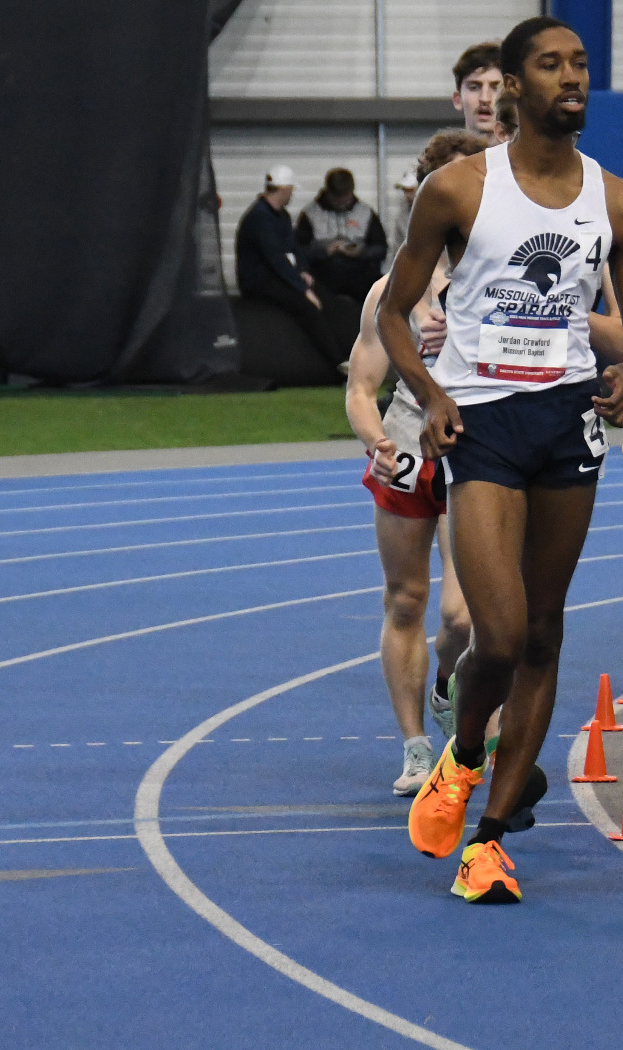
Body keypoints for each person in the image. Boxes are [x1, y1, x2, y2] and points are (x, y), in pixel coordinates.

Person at [382, 16, 623, 904]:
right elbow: (392, 314)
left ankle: (491, 840)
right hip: (484, 423)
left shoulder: (616, 203)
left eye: (580, 64)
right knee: (496, 636)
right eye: (550, 64)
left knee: (543, 632)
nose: (572, 77)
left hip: (567, 420)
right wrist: (431, 395)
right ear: (510, 84)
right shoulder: (459, 189)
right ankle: (464, 756)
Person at [344, 130, 487, 795]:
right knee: (406, 599)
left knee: (463, 616)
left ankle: (447, 684)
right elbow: (360, 387)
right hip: (406, 445)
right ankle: (414, 747)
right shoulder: (391, 290)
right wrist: (374, 439)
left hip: (474, 446)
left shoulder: (501, 281)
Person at [235, 165, 350, 373]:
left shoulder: (282, 216)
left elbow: (293, 248)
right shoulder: (259, 218)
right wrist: (302, 290)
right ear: (285, 189)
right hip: (259, 281)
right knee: (305, 306)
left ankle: (348, 351)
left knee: (324, 297)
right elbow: (276, 259)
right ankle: (337, 361)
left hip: (278, 276)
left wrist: (303, 271)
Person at [295, 168, 388, 301]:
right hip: (324, 275)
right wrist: (324, 251)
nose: (342, 204)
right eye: (337, 200)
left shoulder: (365, 213)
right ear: (328, 193)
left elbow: (381, 248)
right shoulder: (310, 214)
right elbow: (299, 250)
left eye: (346, 199)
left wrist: (361, 252)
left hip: (360, 273)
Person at [452, 41, 504, 143]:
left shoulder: (531, 153)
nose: (484, 98)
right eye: (474, 87)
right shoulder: (439, 153)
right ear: (457, 100)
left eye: (496, 88)